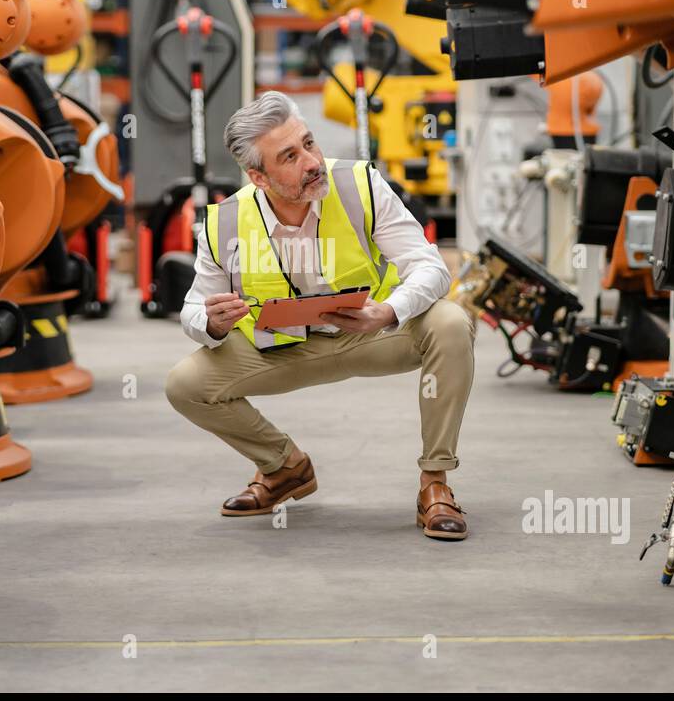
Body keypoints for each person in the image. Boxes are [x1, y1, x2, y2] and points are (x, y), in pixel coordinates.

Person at [165, 92, 477, 541]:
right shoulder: (225, 222)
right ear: (259, 177)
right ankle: (284, 467)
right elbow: (194, 307)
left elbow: (428, 266)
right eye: (290, 156)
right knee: (184, 384)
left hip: (373, 335)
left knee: (450, 322)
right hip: (280, 351)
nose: (312, 161)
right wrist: (211, 322)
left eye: (309, 143)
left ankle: (435, 482)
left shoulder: (358, 185)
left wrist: (388, 311)